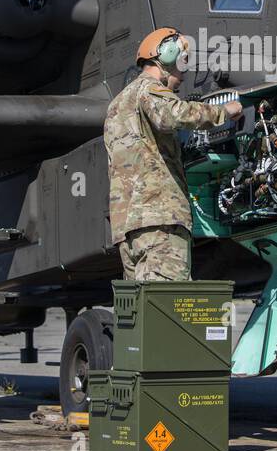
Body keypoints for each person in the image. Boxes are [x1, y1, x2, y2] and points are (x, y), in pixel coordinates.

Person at [103, 29, 243, 281]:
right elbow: (173, 114)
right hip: (160, 221)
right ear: (167, 57)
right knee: (166, 307)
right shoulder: (150, 90)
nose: (182, 76)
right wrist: (223, 111)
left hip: (128, 229)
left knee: (143, 311)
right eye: (181, 65)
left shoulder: (116, 106)